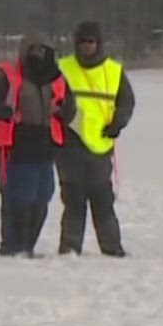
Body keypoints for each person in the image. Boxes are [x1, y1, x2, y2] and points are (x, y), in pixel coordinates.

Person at [0, 35, 75, 257]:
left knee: (43, 195)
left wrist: (59, 111)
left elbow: (71, 109)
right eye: (34, 49)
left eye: (43, 50)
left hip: (46, 145)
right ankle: (13, 245)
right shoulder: (8, 74)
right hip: (14, 144)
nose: (38, 55)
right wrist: (8, 112)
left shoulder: (57, 78)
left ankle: (28, 244)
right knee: (19, 196)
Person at [55, 21, 135, 255]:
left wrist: (117, 124)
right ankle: (70, 248)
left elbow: (126, 101)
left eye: (90, 41)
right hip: (69, 144)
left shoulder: (114, 71)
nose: (86, 46)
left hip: (100, 145)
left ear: (98, 43)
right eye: (82, 41)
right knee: (73, 201)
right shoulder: (62, 68)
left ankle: (111, 248)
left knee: (102, 202)